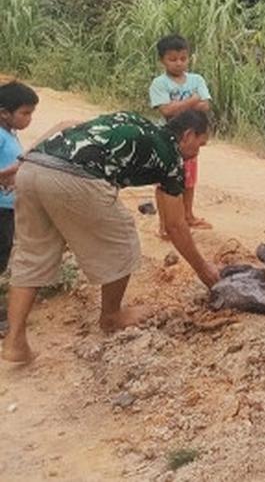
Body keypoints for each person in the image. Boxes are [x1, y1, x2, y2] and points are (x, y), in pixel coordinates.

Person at [1, 110, 220, 364]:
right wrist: (204, 271)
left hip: (34, 166)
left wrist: (24, 161)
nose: (197, 152)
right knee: (124, 239)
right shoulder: (171, 158)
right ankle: (112, 316)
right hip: (74, 176)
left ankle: (15, 341)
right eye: (200, 144)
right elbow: (175, 226)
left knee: (32, 255)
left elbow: (67, 122)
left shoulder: (132, 120)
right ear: (188, 135)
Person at [150, 34, 212, 234]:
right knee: (165, 182)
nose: (179, 63)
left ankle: (188, 215)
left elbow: (205, 105)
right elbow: (166, 111)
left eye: (183, 59)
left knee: (189, 180)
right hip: (167, 141)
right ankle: (164, 224)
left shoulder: (196, 79)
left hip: (191, 141)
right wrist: (192, 102)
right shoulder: (159, 83)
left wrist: (182, 106)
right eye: (173, 59)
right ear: (162, 60)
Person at [0, 82, 39, 334]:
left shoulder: (9, 133)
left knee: (3, 256)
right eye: (25, 113)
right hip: (1, 209)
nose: (29, 119)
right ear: (4, 112)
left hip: (8, 208)